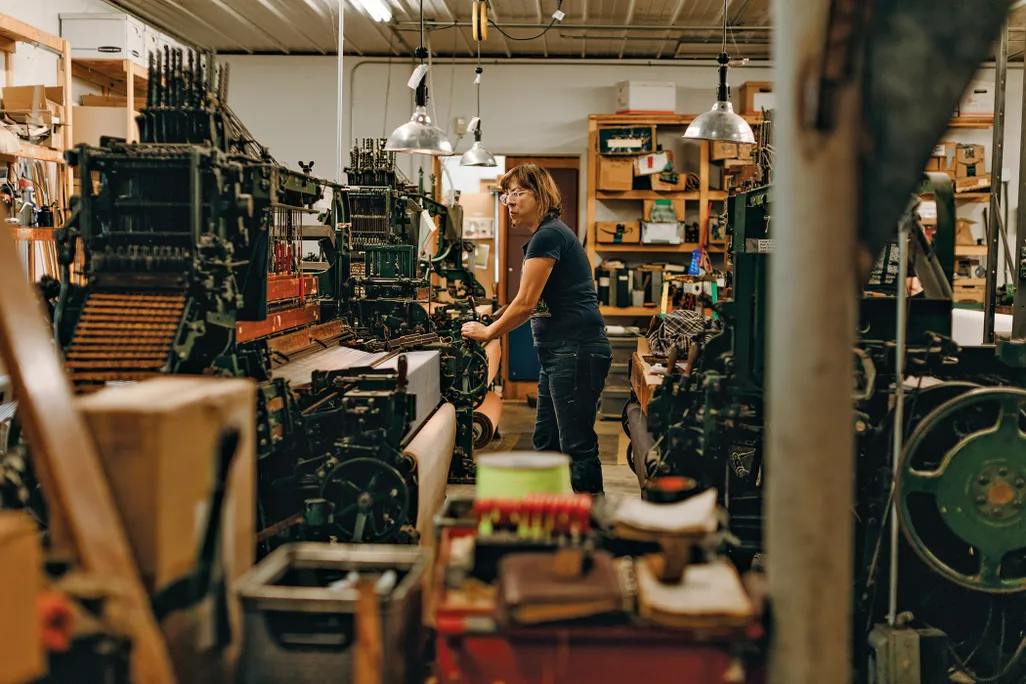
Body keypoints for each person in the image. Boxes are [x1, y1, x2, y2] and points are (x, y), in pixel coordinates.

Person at [461, 164, 611, 494]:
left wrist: (489, 333)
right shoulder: (546, 236)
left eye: (517, 193)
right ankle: (554, 515)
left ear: (540, 194)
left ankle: (591, 524)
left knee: (576, 445)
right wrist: (492, 319)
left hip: (575, 351)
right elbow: (532, 300)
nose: (509, 202)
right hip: (560, 355)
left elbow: (527, 303)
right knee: (548, 441)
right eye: (505, 195)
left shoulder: (548, 235)